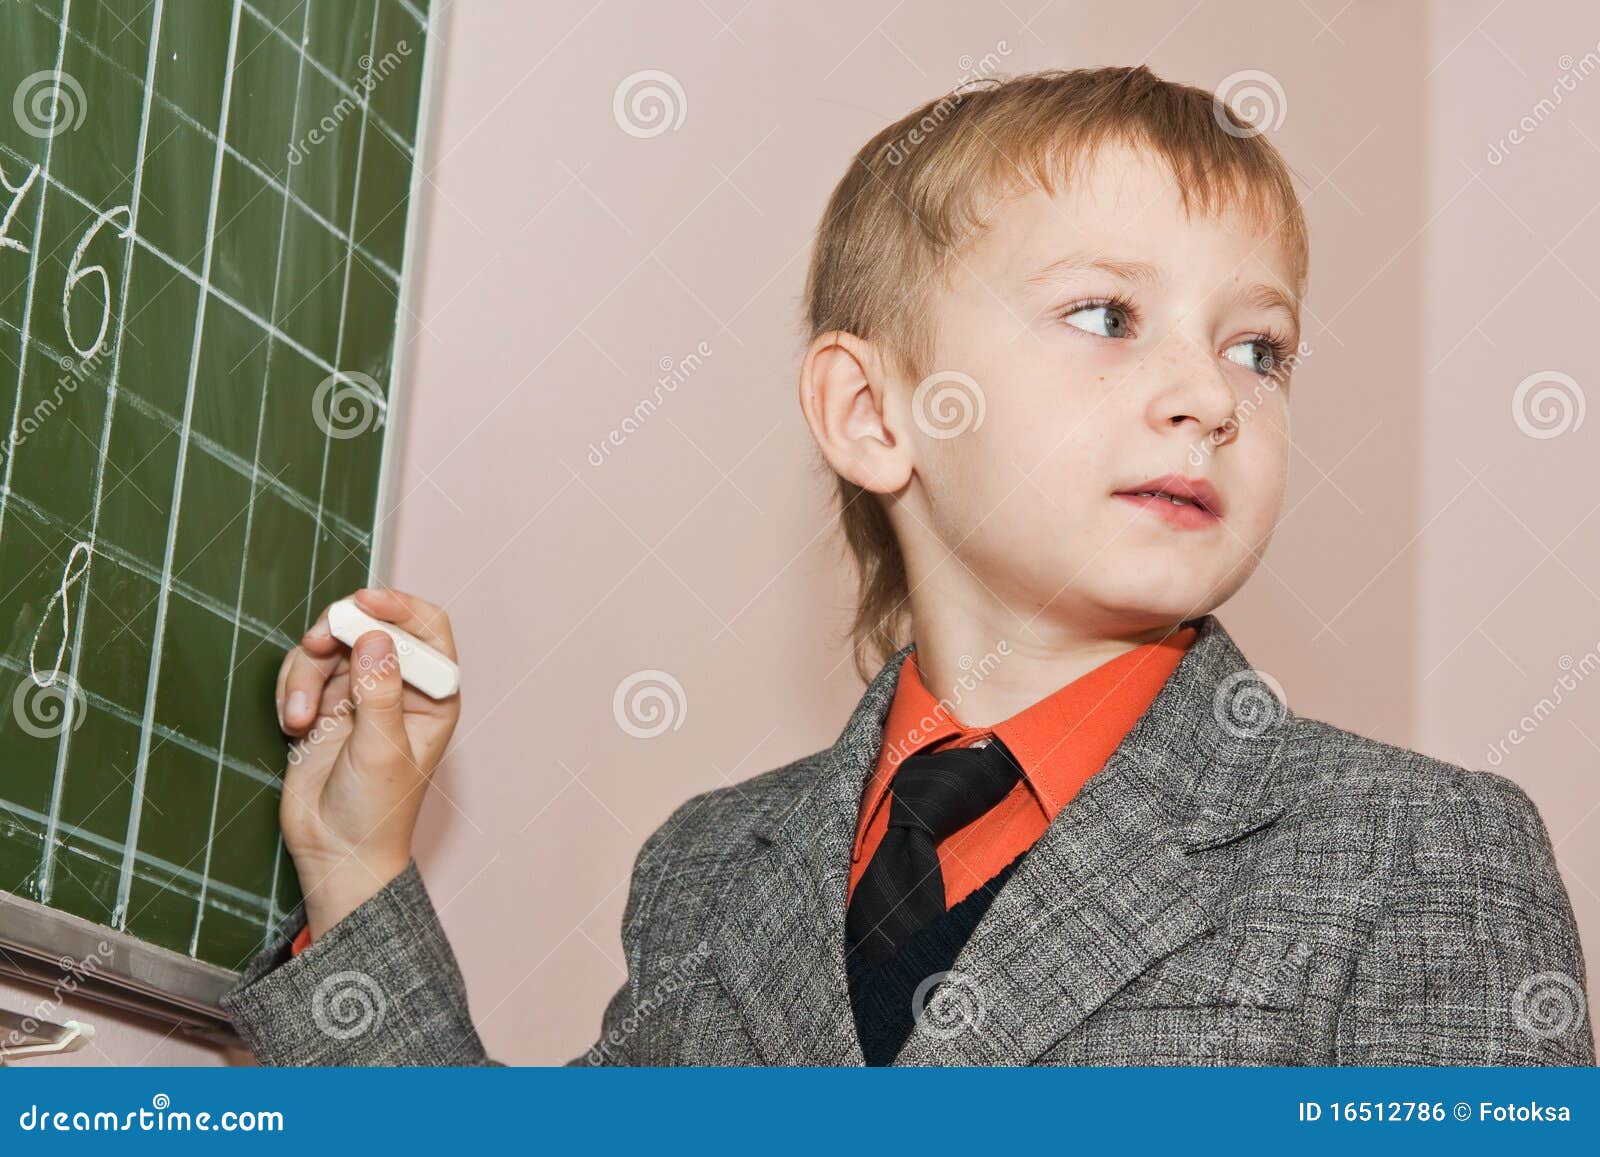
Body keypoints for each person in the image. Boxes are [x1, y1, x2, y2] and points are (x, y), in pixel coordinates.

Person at [221, 65, 1594, 1066]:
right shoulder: (710, 872)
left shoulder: (1420, 852)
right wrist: (357, 867)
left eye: (1259, 348)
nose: (1208, 394)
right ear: (877, 416)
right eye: (1109, 314)